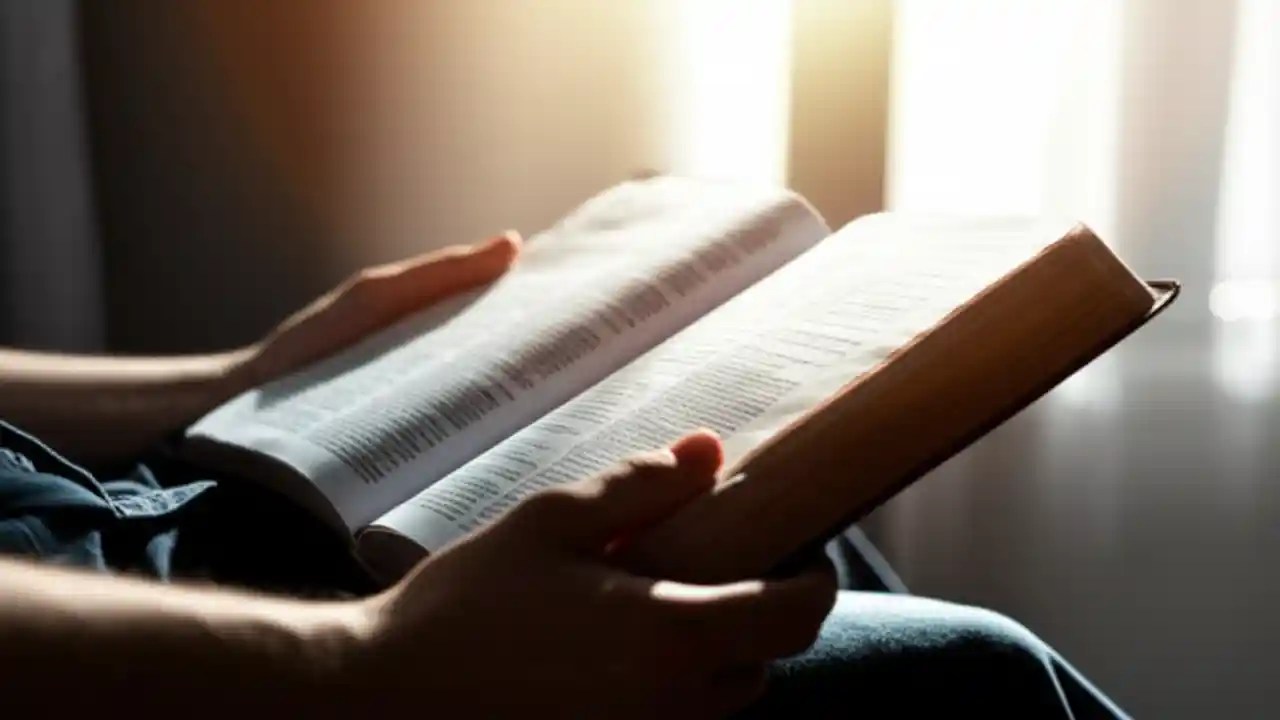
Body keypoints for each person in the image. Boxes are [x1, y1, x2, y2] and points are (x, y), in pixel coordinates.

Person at [0, 233, 1128, 717]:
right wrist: (373, 662)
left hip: (129, 512)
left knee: (763, 526)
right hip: (151, 642)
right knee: (971, 682)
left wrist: (237, 381)